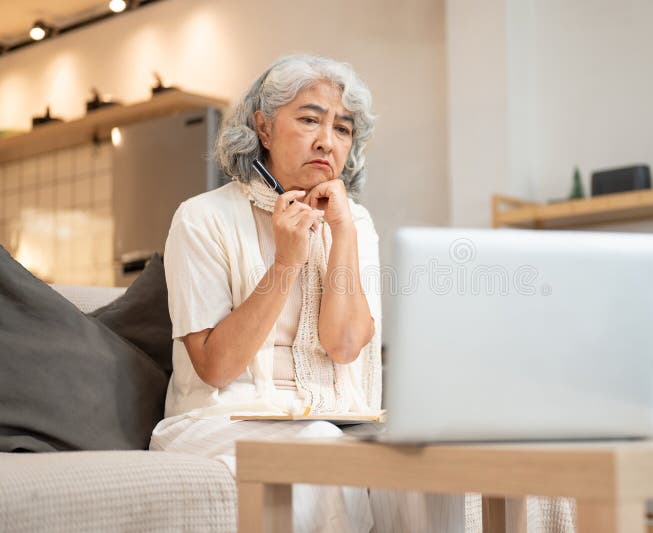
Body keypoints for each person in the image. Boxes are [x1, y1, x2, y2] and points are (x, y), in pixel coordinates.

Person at [149, 53, 575, 533]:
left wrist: (343, 235)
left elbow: (345, 346)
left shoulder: (355, 221)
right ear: (263, 128)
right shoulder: (201, 217)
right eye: (309, 119)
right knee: (325, 456)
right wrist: (286, 262)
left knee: (428, 462)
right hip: (219, 419)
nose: (327, 141)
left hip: (334, 418)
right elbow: (215, 367)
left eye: (343, 129)